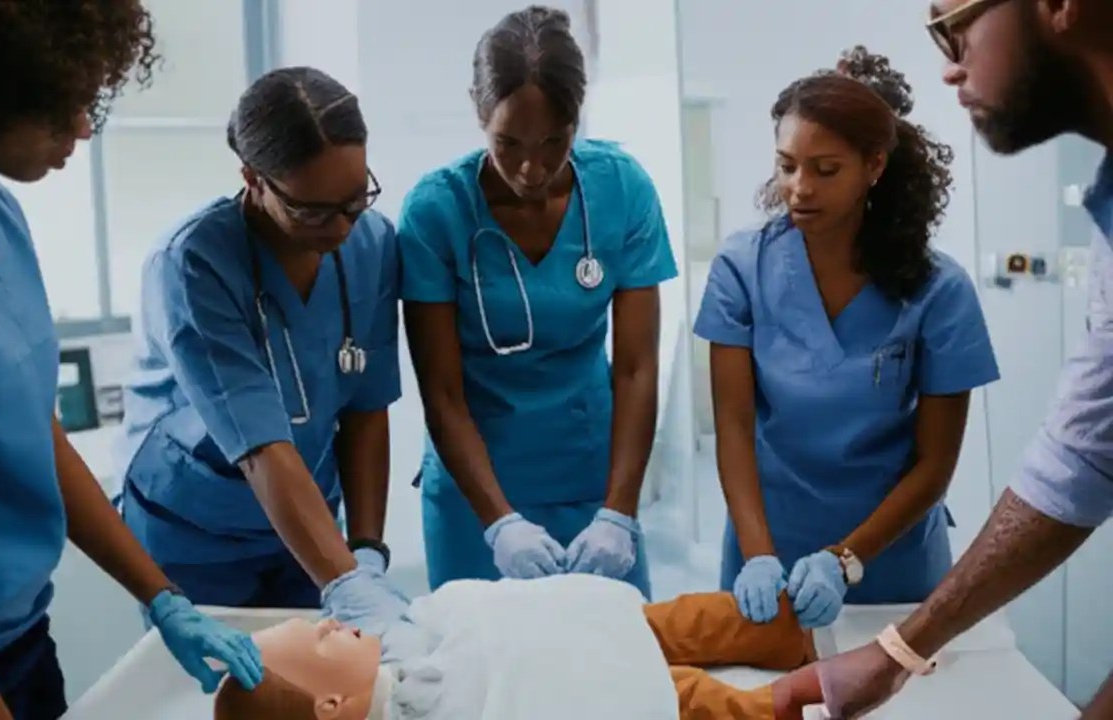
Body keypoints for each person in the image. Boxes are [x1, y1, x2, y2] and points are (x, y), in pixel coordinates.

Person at [0, 2, 263, 718]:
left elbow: (38, 433)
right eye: (65, 106)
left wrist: (160, 595)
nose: (84, 127)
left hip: (17, 639)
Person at [808, 1, 1113, 717]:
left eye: (955, 25)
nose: (949, 64)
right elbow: (1084, 461)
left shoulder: (937, 287)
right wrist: (897, 654)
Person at [693, 46, 1000, 631]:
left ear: (874, 166)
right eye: (787, 166)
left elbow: (935, 465)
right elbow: (732, 424)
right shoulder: (741, 267)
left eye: (825, 169)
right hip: (768, 547)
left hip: (892, 555)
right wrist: (758, 553)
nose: (799, 188)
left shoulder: (940, 291)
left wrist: (847, 558)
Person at [116, 66, 409, 637]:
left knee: (327, 683)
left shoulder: (372, 241)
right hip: (194, 530)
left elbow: (366, 408)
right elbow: (261, 447)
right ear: (253, 178)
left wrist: (365, 550)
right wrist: (344, 581)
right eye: (314, 211)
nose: (342, 227)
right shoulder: (192, 264)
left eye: (355, 200)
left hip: (308, 520)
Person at [398, 5, 678, 597]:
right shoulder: (436, 210)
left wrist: (619, 512)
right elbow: (442, 393)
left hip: (592, 477)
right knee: (481, 668)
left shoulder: (621, 188)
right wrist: (499, 522)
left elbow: (636, 367)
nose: (532, 167)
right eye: (509, 143)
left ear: (578, 117)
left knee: (614, 662)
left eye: (555, 141)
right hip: (477, 495)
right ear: (478, 112)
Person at [212, 574, 834, 720]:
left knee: (690, 620)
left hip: (593, 624)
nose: (331, 624)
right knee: (695, 702)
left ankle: (788, 625)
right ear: (333, 704)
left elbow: (476, 606)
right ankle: (804, 695)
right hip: (594, 690)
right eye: (321, 641)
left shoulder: (410, 640)